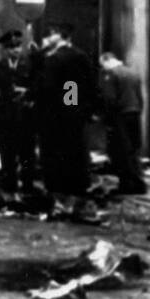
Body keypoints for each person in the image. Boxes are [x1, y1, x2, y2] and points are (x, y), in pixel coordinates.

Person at [35, 21, 95, 201]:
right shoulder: (81, 56)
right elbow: (83, 86)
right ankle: (78, 187)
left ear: (58, 36)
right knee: (76, 151)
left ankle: (58, 189)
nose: (46, 39)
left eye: (50, 35)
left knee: (56, 153)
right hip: (74, 112)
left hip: (56, 116)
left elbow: (46, 87)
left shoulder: (53, 59)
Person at [0, 28, 39, 194]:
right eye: (11, 47)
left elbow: (37, 86)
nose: (16, 50)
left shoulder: (30, 64)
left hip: (26, 116)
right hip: (5, 116)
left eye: (18, 47)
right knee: (7, 153)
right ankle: (10, 186)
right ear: (5, 50)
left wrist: (27, 93)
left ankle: (27, 187)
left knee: (27, 153)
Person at [99, 50, 147, 195]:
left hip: (120, 116)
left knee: (121, 151)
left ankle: (127, 184)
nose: (103, 68)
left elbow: (110, 99)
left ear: (107, 61)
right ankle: (138, 182)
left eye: (103, 65)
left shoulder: (111, 74)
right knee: (133, 150)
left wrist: (106, 119)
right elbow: (140, 97)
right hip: (135, 113)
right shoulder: (133, 72)